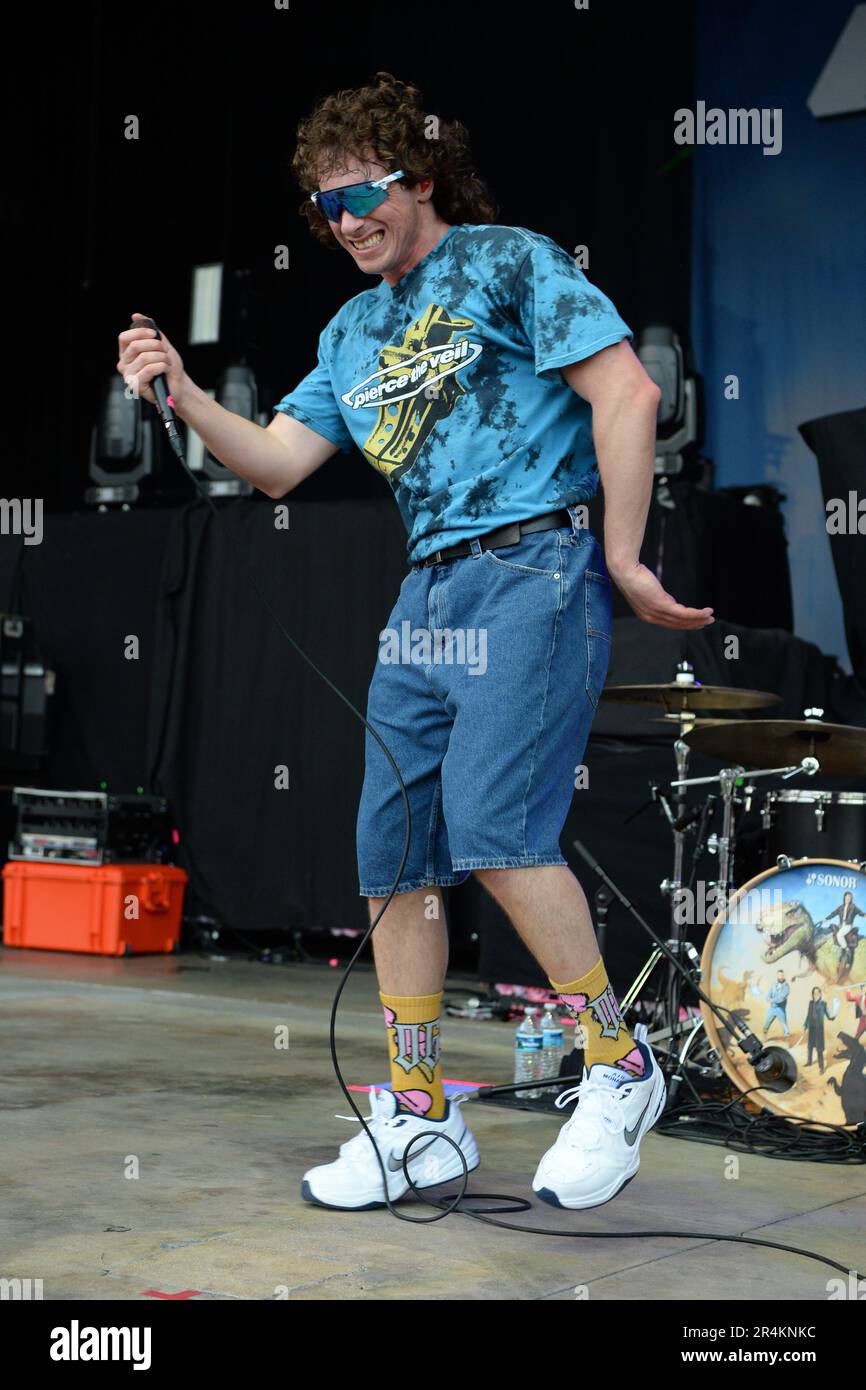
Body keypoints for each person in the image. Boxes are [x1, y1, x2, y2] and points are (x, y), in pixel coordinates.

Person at [116, 71, 713, 1213]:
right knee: (393, 857)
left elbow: (626, 393)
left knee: (495, 827)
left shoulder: (504, 260)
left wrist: (626, 561)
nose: (345, 222)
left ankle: (619, 1062)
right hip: (427, 596)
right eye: (326, 208)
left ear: (421, 177)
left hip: (530, 566)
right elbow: (282, 462)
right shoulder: (349, 330)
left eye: (364, 194)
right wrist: (184, 392)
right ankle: (420, 1115)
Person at [803, 987, 839, 1075]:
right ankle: (809, 1061)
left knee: (819, 1049)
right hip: (811, 1028)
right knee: (810, 1046)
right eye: (814, 994)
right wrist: (805, 1025)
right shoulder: (810, 1003)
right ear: (812, 995)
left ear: (820, 994)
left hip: (819, 1029)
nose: (816, 996)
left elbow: (830, 1017)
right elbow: (808, 1015)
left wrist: (835, 1010)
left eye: (817, 994)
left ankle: (822, 1067)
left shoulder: (823, 1004)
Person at [762, 971, 790, 1038]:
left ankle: (787, 1040)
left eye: (782, 976)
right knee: (767, 1023)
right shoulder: (774, 984)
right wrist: (767, 997)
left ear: (784, 976)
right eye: (779, 976)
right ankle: (764, 1037)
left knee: (784, 1025)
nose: (781, 977)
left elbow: (782, 998)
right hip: (772, 1008)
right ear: (777, 976)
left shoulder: (786, 986)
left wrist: (772, 1000)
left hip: (780, 1009)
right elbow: (769, 993)